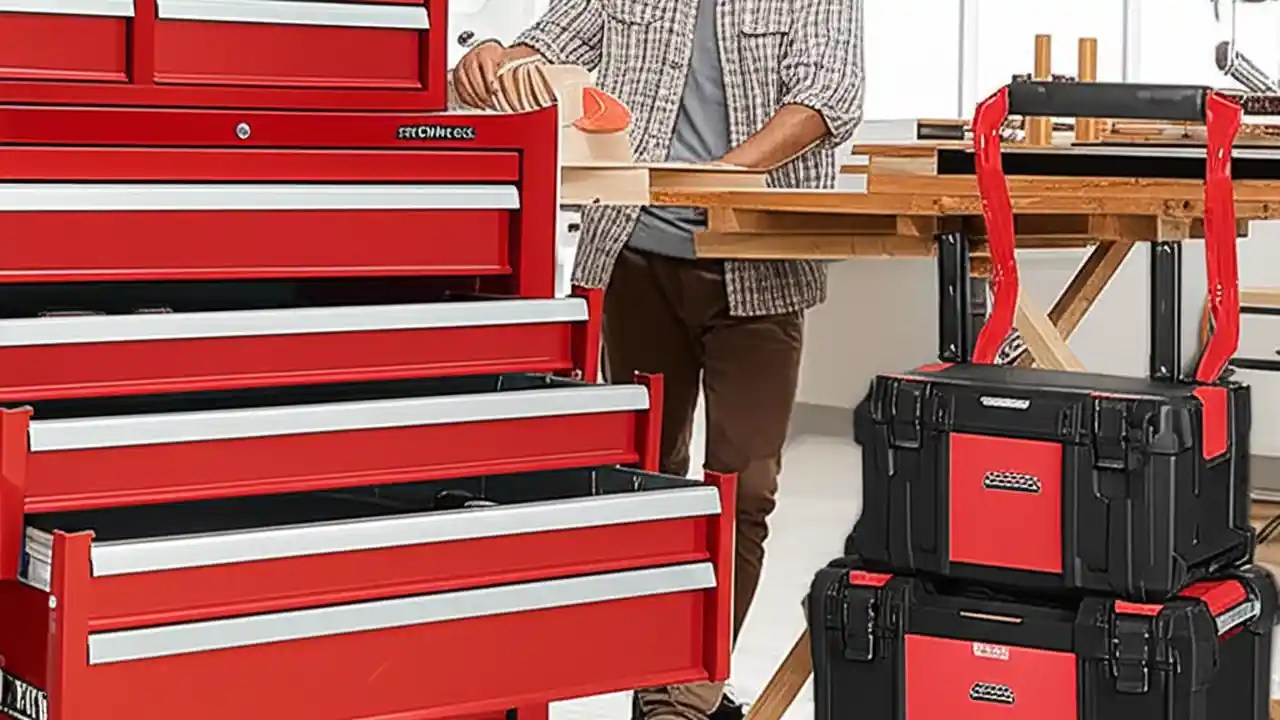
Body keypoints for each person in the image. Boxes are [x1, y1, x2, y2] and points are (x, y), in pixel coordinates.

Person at [455, 2, 863, 718]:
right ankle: (665, 683)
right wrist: (494, 58)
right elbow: (549, 46)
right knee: (647, 480)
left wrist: (718, 177)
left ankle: (686, 690)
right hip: (634, 256)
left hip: (758, 264)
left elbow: (829, 96)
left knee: (745, 485)